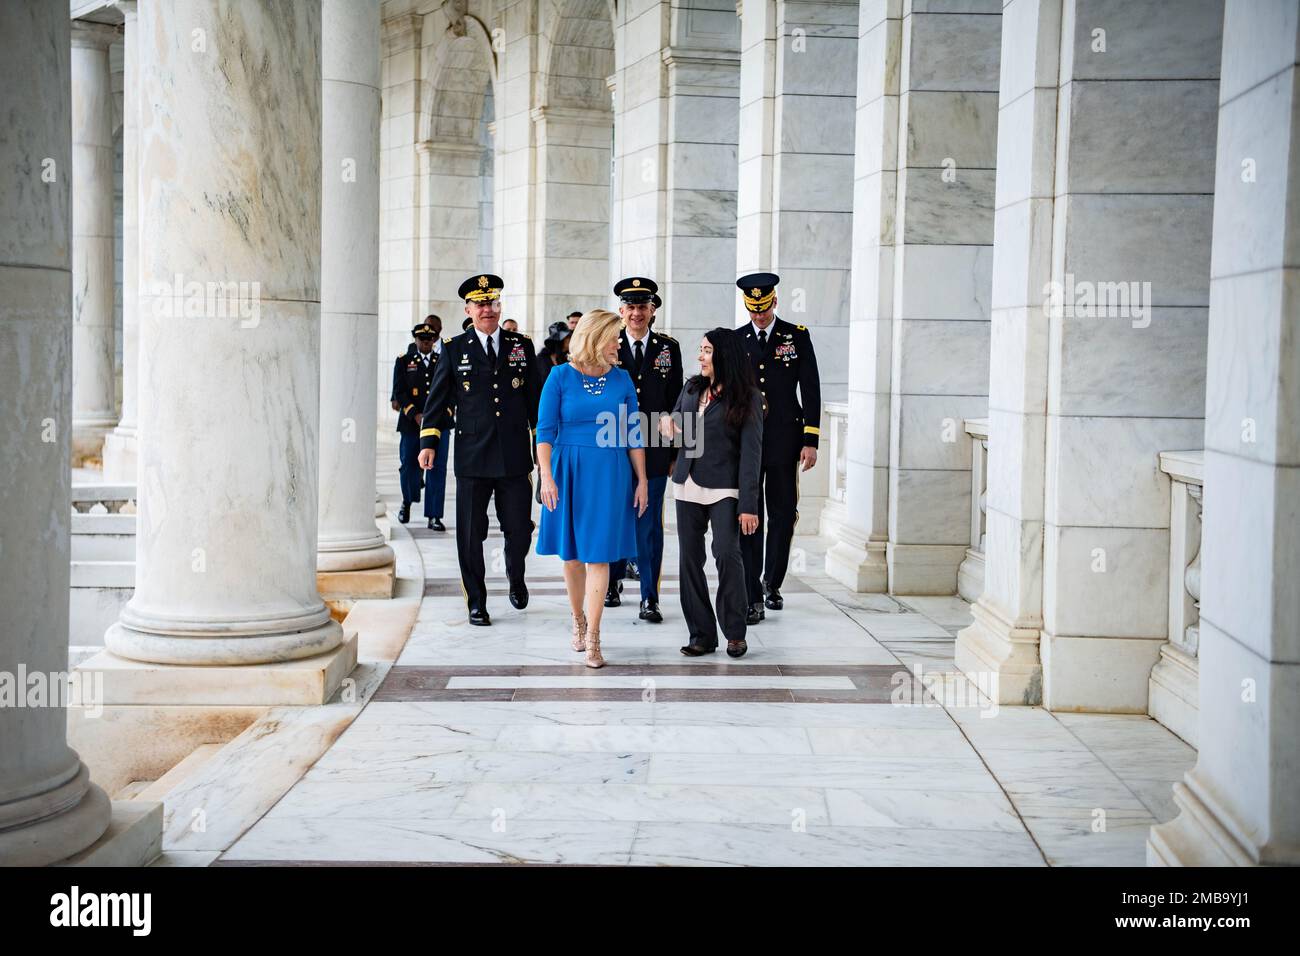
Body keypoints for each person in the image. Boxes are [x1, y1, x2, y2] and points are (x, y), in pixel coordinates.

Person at [418, 274, 540, 626]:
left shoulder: (521, 345)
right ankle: (477, 600)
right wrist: (429, 442)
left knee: (519, 529)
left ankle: (515, 574)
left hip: (515, 456)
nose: (488, 309)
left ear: (500, 307)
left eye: (493, 303)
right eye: (481, 304)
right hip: (472, 457)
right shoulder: (454, 348)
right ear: (469, 309)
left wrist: (541, 447)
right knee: (470, 534)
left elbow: (534, 401)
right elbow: (437, 400)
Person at [536, 308, 648, 668]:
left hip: (610, 473)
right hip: (566, 469)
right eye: (614, 336)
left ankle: (595, 635)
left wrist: (642, 480)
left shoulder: (623, 379)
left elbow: (633, 434)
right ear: (597, 338)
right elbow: (544, 431)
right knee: (571, 556)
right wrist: (546, 476)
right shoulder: (559, 377)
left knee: (599, 555)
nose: (619, 342)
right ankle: (578, 619)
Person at [665, 328, 763, 657]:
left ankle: (735, 631)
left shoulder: (749, 398)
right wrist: (667, 424)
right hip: (687, 484)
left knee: (726, 553)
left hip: (726, 488)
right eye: (701, 350)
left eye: (706, 351)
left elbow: (752, 455)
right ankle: (702, 635)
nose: (700, 357)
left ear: (723, 355)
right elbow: (677, 427)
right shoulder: (692, 388)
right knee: (690, 560)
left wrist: (748, 505)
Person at [735, 272, 821, 625]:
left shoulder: (796, 337)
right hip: (749, 442)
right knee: (750, 514)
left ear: (774, 302)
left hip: (786, 439)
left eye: (764, 308)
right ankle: (751, 584)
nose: (759, 316)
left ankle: (773, 582)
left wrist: (811, 439)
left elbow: (811, 387)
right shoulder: (737, 340)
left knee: (783, 513)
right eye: (753, 310)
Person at [604, 276, 682, 622]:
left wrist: (677, 452)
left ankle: (650, 597)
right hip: (613, 447)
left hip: (654, 450)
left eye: (643, 307)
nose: (637, 313)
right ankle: (609, 581)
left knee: (649, 525)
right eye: (631, 307)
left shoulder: (668, 348)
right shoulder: (608, 344)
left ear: (653, 311)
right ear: (621, 311)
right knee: (614, 517)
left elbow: (678, 400)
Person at [391, 318, 447, 529]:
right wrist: (414, 414)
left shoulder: (442, 359)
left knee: (437, 468)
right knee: (409, 466)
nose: (426, 343)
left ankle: (434, 515)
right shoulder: (404, 360)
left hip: (438, 423)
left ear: (434, 339)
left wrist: (440, 414)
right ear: (415, 339)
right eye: (422, 339)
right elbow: (400, 391)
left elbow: (449, 391)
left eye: (429, 339)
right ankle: (407, 500)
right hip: (411, 423)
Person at [536, 323, 571, 388]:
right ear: (559, 341)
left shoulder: (567, 358)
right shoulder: (542, 359)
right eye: (568, 337)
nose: (570, 340)